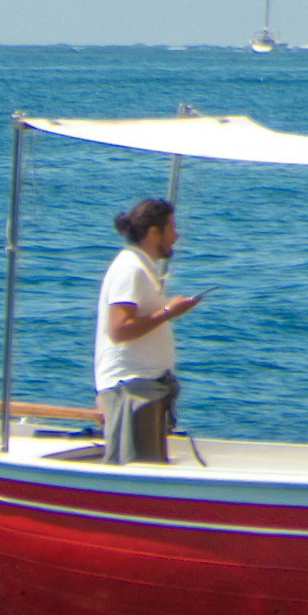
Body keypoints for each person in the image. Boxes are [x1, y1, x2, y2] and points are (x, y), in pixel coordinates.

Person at [94, 193, 200, 461]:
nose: (176, 236)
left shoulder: (142, 267)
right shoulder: (131, 269)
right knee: (133, 469)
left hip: (144, 388)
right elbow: (118, 330)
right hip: (130, 389)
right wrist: (168, 312)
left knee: (147, 464)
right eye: (172, 228)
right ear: (155, 232)